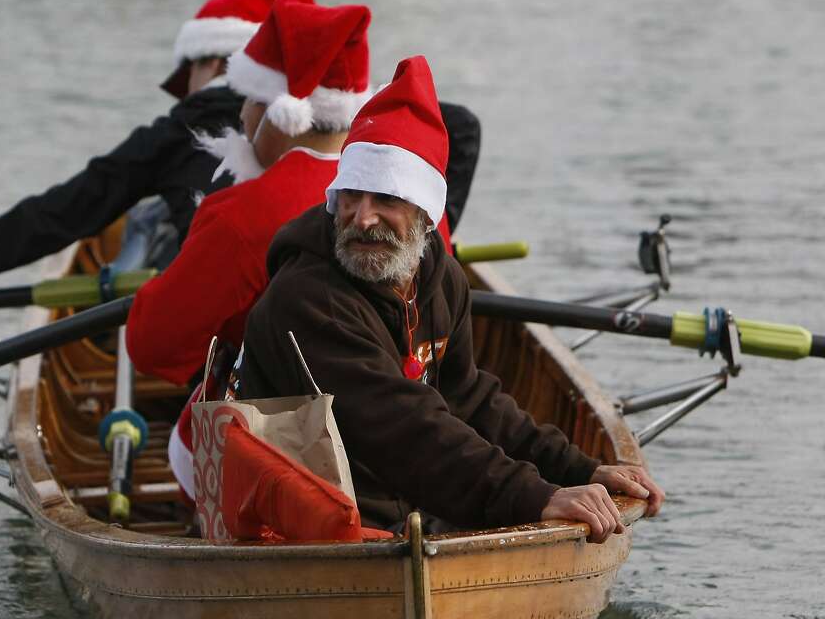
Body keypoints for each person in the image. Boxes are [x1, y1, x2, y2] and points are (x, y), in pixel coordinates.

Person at [238, 56, 665, 542]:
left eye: (386, 199)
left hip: (400, 506)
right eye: (352, 195)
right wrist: (534, 496)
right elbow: (404, 429)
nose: (362, 218)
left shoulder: (441, 278)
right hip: (304, 531)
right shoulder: (307, 299)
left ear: (424, 212)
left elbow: (467, 398)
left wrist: (577, 470)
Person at [0, 0, 314, 292]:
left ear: (212, 65)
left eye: (186, 74)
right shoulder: (331, 128)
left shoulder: (184, 128)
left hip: (223, 332)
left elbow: (71, 207)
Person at [125, 0, 372, 387]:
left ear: (281, 112)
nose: (241, 115)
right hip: (395, 423)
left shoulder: (243, 212)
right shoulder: (413, 197)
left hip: (280, 435)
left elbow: (151, 348)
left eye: (249, 98)